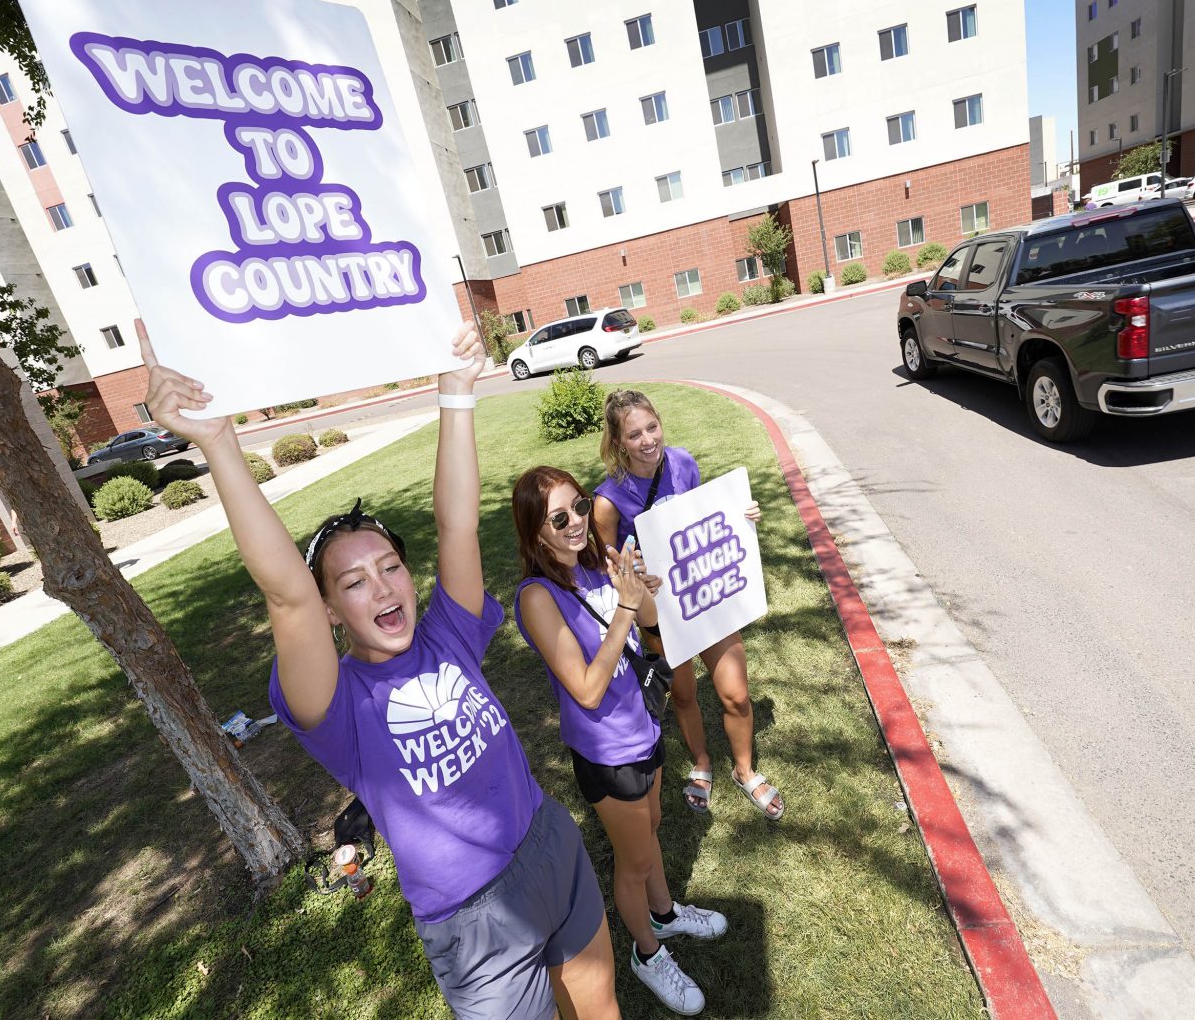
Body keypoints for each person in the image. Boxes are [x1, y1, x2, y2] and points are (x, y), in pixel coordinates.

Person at [139, 320, 618, 1020]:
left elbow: (456, 525)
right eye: (355, 581)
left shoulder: (447, 633)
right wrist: (218, 444)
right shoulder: (336, 704)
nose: (384, 586)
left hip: (549, 845)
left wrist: (456, 394)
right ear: (331, 609)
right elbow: (286, 592)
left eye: (391, 566)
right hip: (474, 918)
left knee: (601, 1010)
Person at [513, 466, 727, 1017]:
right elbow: (585, 689)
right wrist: (625, 607)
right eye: (558, 518)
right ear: (536, 531)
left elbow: (651, 633)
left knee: (652, 831)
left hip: (644, 725)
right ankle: (647, 953)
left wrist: (639, 590)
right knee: (632, 862)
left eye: (580, 506)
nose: (576, 523)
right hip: (607, 751)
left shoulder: (596, 565)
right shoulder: (538, 597)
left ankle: (664, 913)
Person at [593, 390, 784, 821]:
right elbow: (608, 568)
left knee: (736, 694)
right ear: (619, 441)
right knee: (682, 693)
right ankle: (701, 762)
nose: (647, 441)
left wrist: (740, 515)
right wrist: (634, 573)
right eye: (634, 434)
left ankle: (744, 769)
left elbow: (704, 520)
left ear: (661, 424)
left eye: (652, 427)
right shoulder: (608, 500)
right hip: (659, 613)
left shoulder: (683, 462)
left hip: (705, 596)